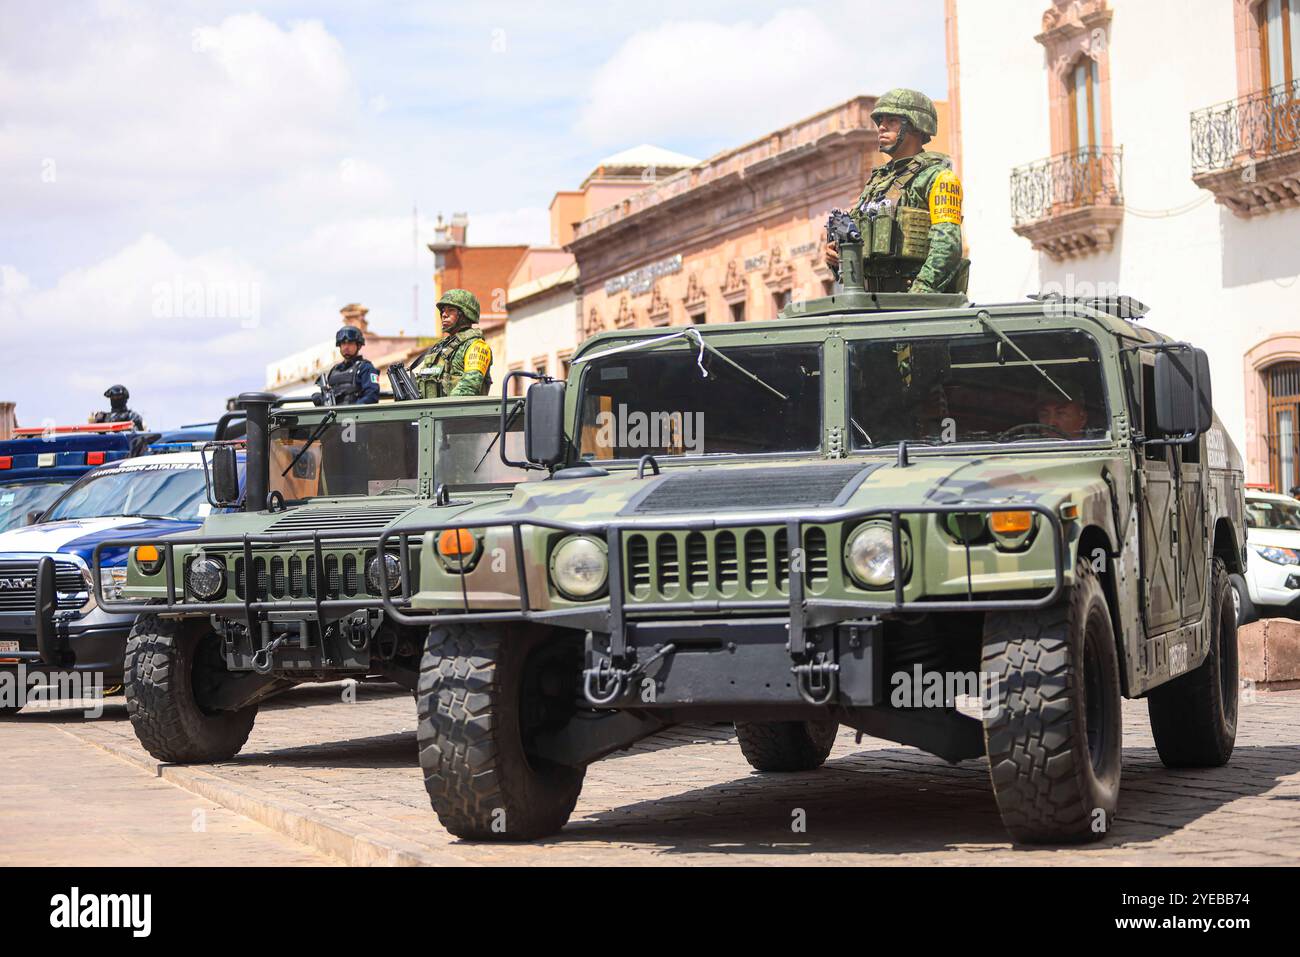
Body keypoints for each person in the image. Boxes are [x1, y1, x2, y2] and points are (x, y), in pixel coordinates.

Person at [825, 88, 968, 294]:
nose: (881, 127)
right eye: (880, 121)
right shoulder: (877, 184)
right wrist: (837, 258)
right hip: (872, 303)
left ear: (916, 124)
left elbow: (947, 246)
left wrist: (919, 295)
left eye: (891, 121)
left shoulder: (939, 178)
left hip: (913, 305)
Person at [411, 289, 493, 398]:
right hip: (431, 412)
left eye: (451, 310)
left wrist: (441, 408)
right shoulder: (440, 348)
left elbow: (469, 386)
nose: (444, 315)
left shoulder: (477, 346)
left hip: (460, 412)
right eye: (443, 311)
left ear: (465, 314)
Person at [319, 326, 380, 405]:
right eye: (343, 343)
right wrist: (320, 399)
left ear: (359, 346)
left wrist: (352, 410)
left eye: (350, 343)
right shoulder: (334, 370)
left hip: (356, 415)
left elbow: (371, 396)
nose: (346, 347)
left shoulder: (366, 368)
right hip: (334, 415)